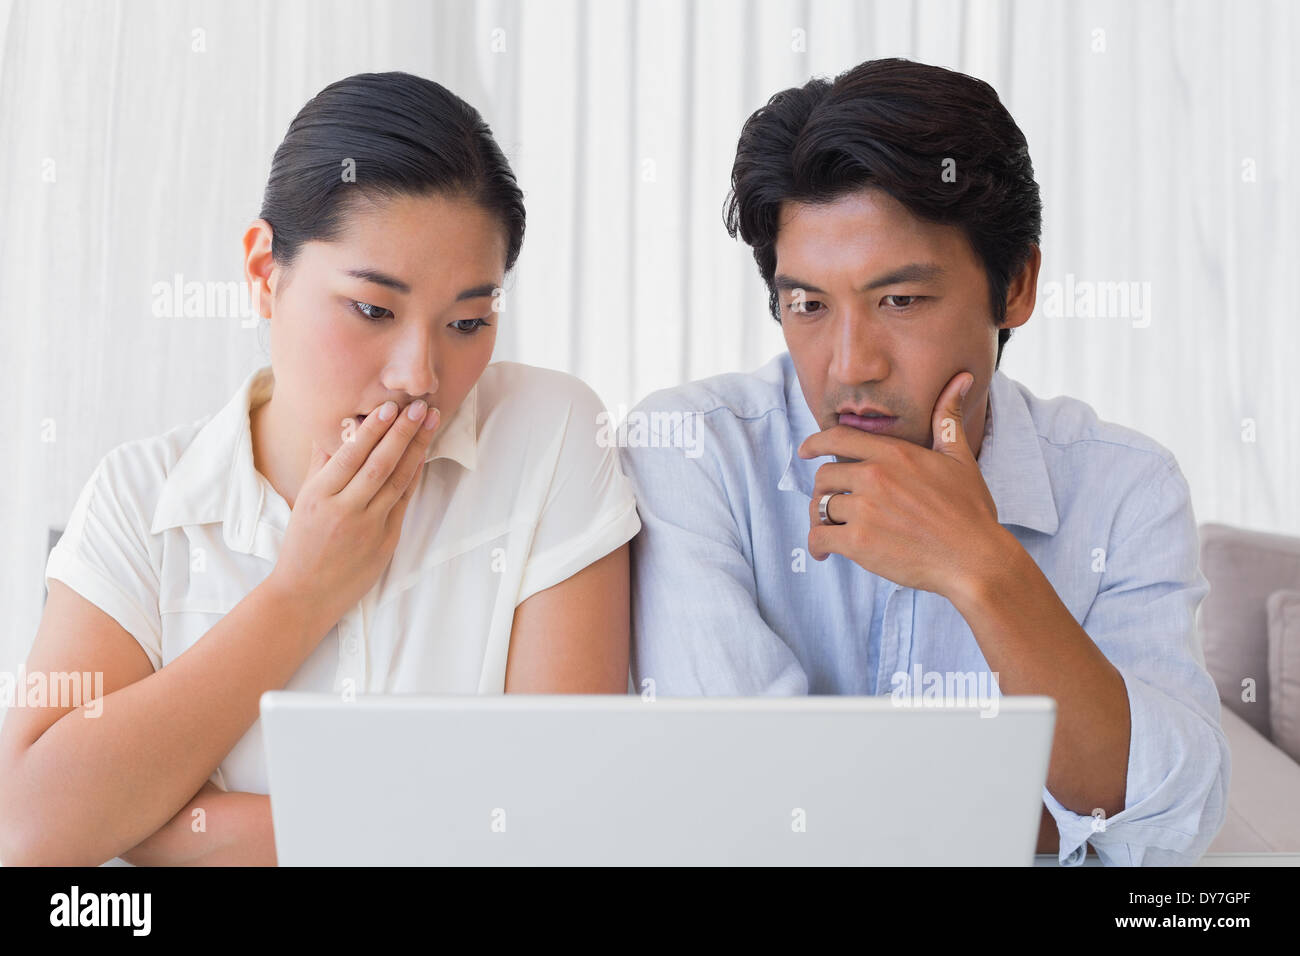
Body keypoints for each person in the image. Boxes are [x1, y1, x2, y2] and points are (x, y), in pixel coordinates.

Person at [0, 72, 640, 866]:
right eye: (374, 310)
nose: (420, 374)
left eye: (468, 322)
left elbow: (561, 822)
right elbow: (28, 827)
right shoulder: (141, 500)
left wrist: (173, 826)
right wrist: (300, 596)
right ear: (265, 272)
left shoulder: (550, 438)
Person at [620, 58, 1228, 866]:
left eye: (899, 301)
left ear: (1016, 285)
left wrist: (982, 567)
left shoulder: (1123, 488)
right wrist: (1035, 812)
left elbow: (1165, 826)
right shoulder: (695, 452)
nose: (849, 364)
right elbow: (743, 805)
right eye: (807, 304)